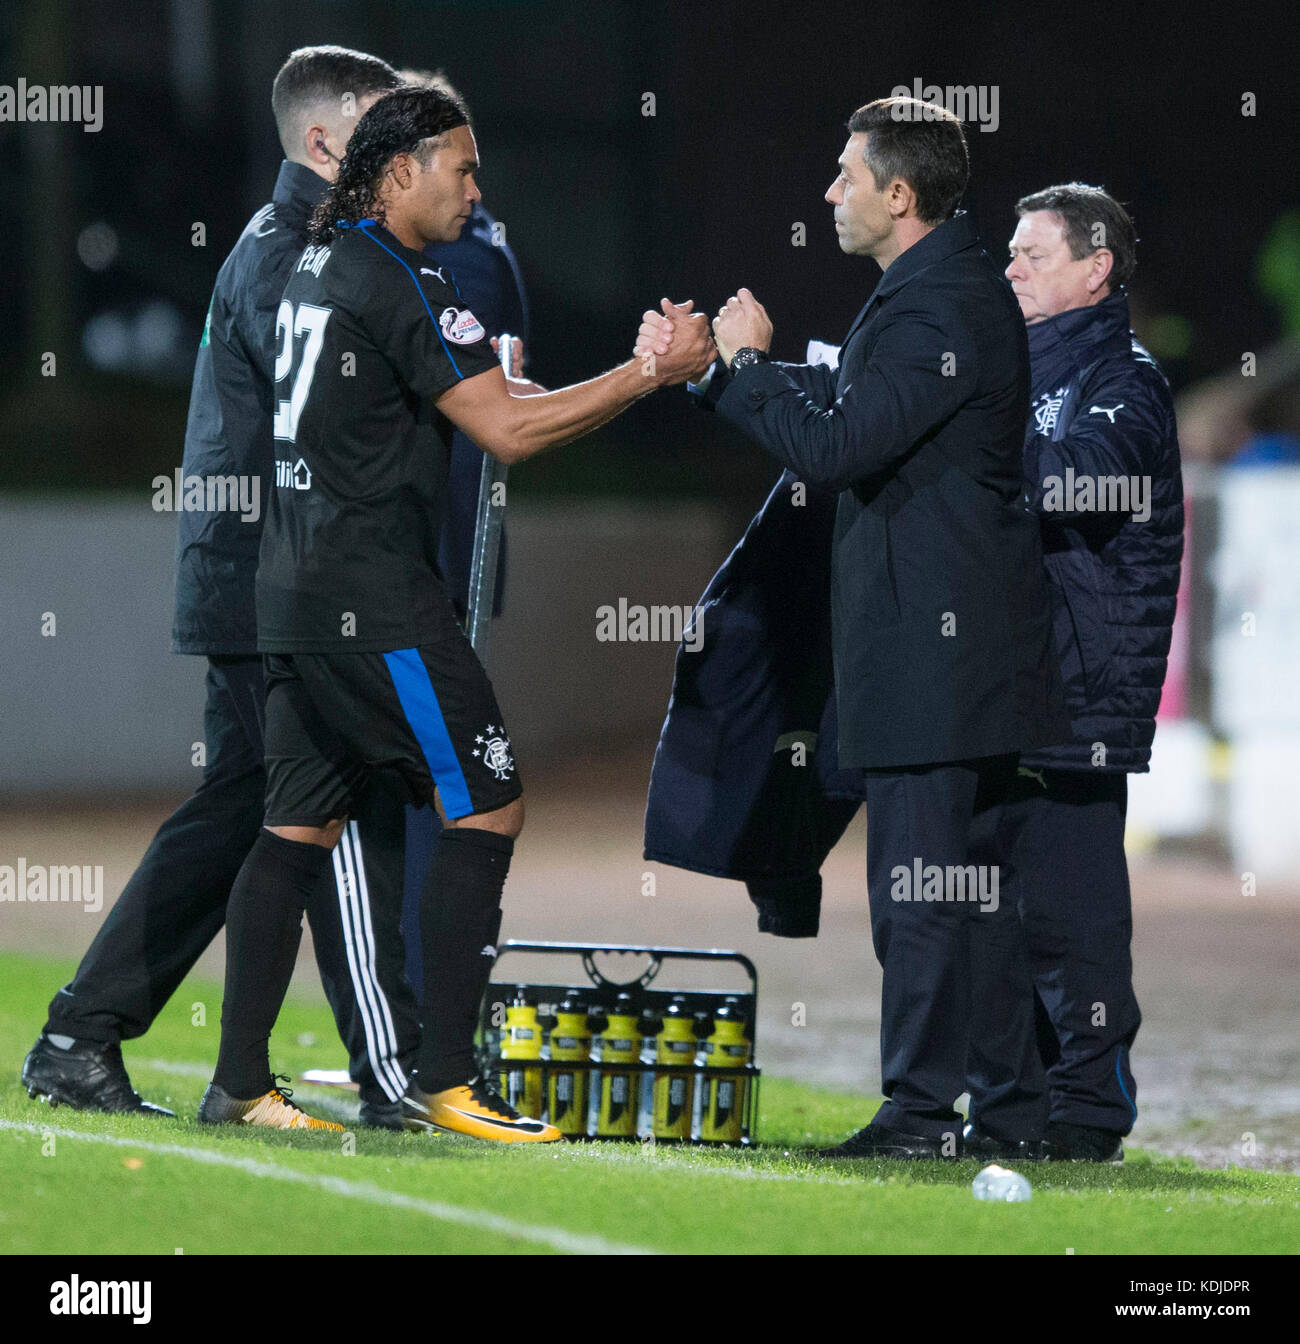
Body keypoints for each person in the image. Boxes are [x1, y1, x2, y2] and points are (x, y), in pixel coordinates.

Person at [198, 84, 713, 1135]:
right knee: (488, 803)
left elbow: (486, 402)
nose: (477, 191)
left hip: (291, 592)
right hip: (375, 601)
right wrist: (651, 373)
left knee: (294, 826)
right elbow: (507, 434)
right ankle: (445, 1078)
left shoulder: (315, 260)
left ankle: (239, 1084)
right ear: (399, 172)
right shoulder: (403, 274)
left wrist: (605, 376)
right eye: (461, 168)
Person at [640, 96, 1070, 1159]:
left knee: (920, 895)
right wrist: (720, 378)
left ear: (898, 193)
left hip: (936, 655)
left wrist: (737, 367)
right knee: (962, 896)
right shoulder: (938, 293)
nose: (827, 192)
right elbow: (850, 413)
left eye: (844, 175)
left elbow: (836, 447)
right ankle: (1008, 1111)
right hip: (948, 651)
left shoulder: (939, 307)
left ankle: (921, 1115)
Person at [20, 46, 419, 1127]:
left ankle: (79, 1034)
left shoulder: (287, 243)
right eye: (382, 133)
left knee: (241, 809)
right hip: (264, 582)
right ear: (325, 141)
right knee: (319, 797)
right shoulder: (294, 254)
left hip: (250, 575)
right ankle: (395, 1075)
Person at [995, 183, 1182, 1161]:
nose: (1010, 268)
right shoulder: (1015, 367)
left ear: (1095, 267)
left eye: (1032, 254)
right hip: (1010, 682)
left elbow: (1079, 483)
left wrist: (977, 436)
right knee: (1000, 913)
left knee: (1074, 920)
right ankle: (1022, 1103)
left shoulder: (1126, 375)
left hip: (1081, 693)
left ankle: (1090, 1112)